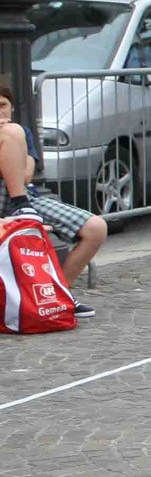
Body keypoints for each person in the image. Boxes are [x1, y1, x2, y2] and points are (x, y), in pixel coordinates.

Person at [0, 79, 107, 316]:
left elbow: (26, 175)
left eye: (3, 105)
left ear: (12, 108)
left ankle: (59, 295)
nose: (0, 112)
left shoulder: (19, 132)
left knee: (96, 228)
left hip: (23, 196)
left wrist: (10, 142)